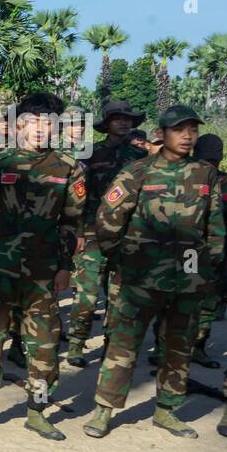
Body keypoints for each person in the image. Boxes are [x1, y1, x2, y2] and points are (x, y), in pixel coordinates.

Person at [84, 105, 225, 439]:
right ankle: (104, 409)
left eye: (192, 129)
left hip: (187, 276)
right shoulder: (138, 171)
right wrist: (122, 259)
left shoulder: (205, 173)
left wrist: (208, 268)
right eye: (180, 129)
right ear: (162, 134)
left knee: (178, 347)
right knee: (123, 345)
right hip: (140, 278)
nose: (188, 136)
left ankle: (167, 411)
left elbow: (214, 226)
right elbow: (107, 219)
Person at [0, 94, 84, 441]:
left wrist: (65, 267)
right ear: (18, 125)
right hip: (1, 267)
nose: (41, 129)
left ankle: (37, 411)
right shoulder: (0, 164)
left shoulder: (68, 167)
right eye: (34, 121)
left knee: (45, 346)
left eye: (49, 123)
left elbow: (72, 223)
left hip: (44, 273)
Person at [65, 99, 146, 366]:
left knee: (118, 297)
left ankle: (111, 346)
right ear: (107, 123)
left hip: (127, 237)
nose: (123, 122)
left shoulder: (141, 158)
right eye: (117, 118)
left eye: (127, 118)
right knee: (87, 296)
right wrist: (76, 231)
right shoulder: (91, 153)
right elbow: (79, 196)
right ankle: (76, 343)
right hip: (92, 235)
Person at [189, 134, 227, 367]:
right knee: (182, 299)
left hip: (216, 252)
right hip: (189, 252)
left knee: (207, 302)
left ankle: (197, 347)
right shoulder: (187, 179)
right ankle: (167, 349)